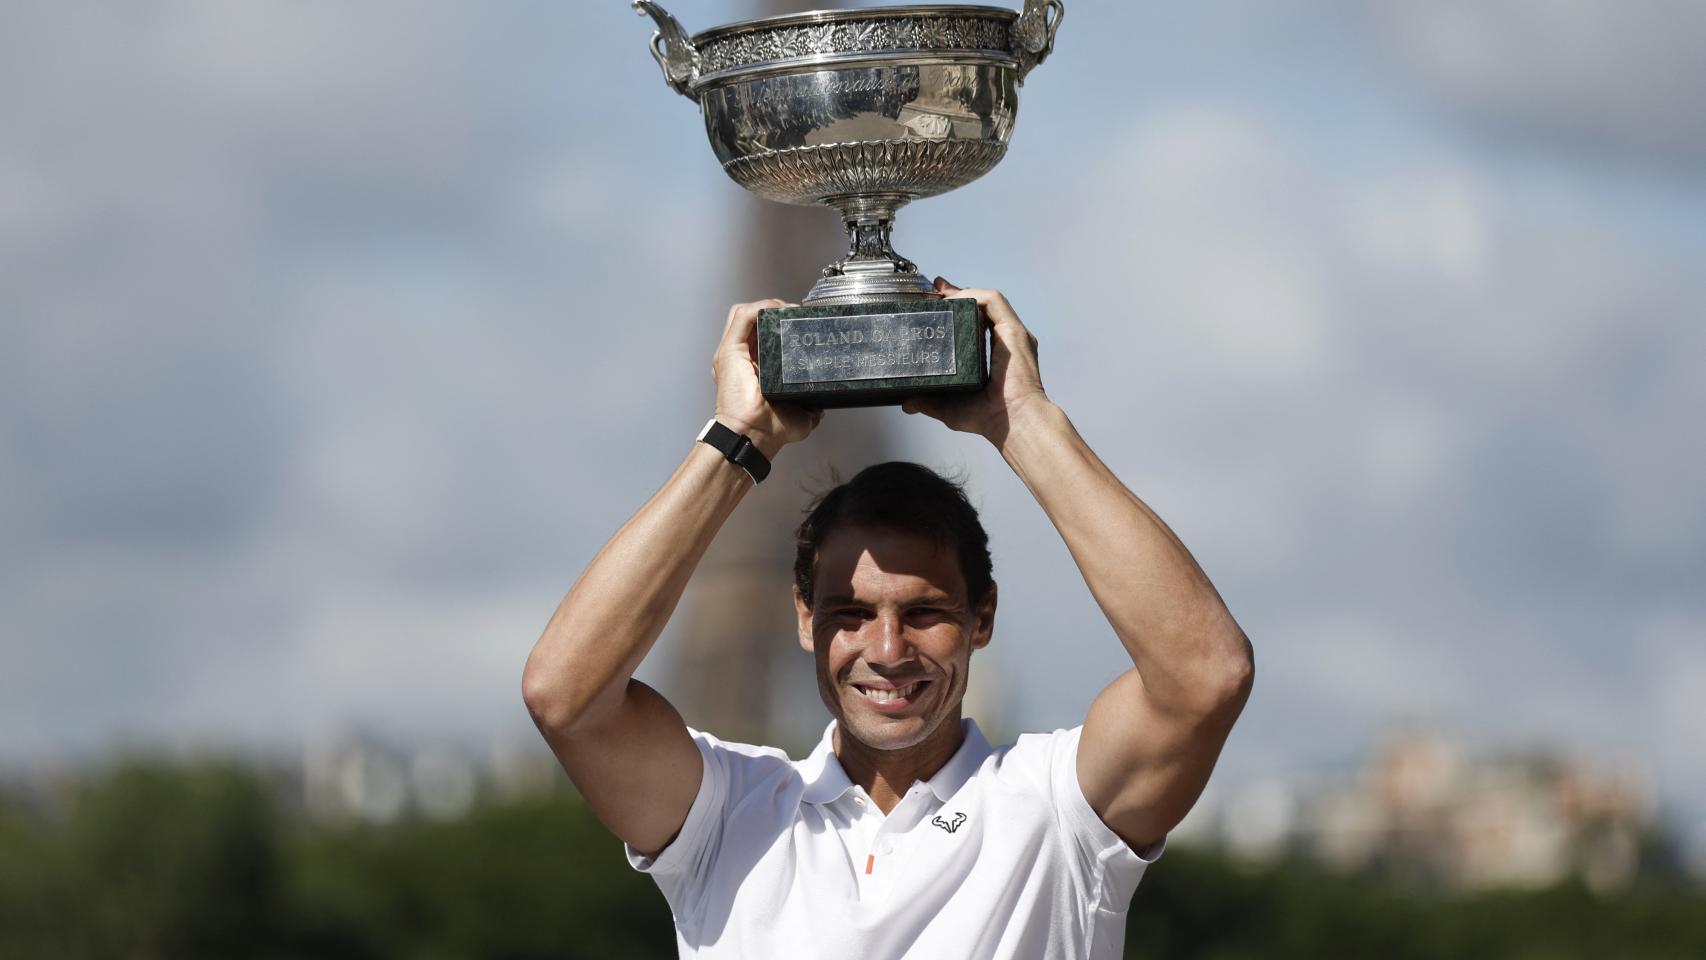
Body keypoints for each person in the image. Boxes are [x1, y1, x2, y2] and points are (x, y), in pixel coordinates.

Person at [522, 280, 1253, 959]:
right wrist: (735, 439)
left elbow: (1206, 674)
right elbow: (565, 694)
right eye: (852, 612)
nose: (887, 647)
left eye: (925, 613)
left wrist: (1025, 422)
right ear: (805, 618)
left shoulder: (1056, 812)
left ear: (982, 618)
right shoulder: (728, 815)